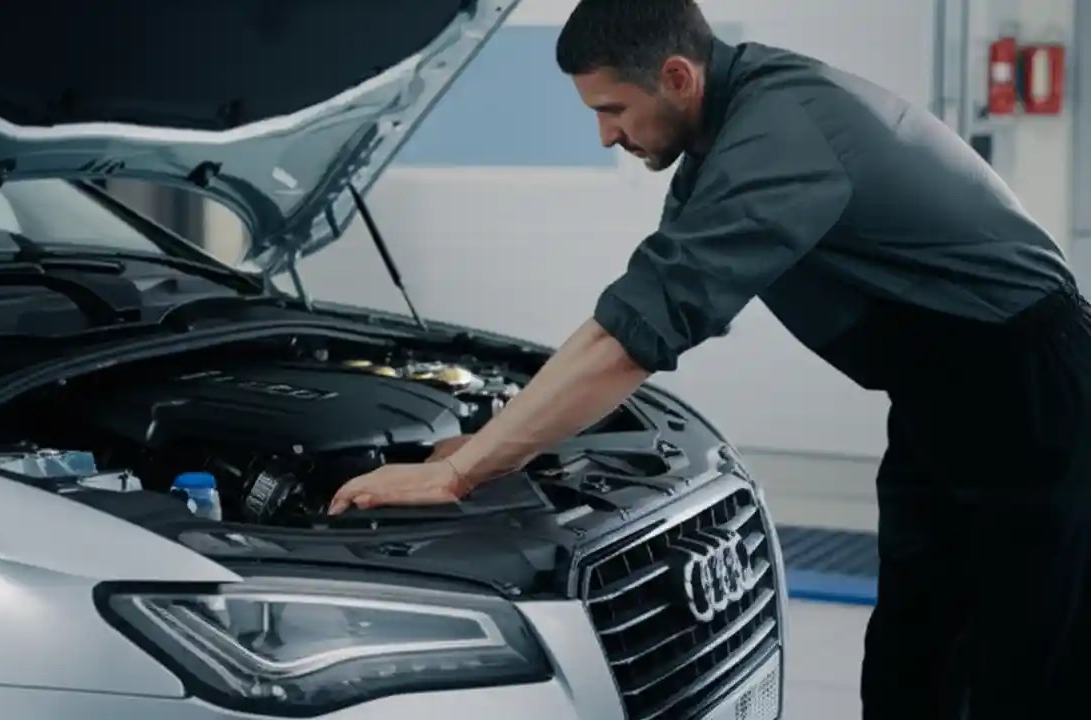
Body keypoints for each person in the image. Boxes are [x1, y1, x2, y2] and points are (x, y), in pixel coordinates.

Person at [328, 0, 1091, 717]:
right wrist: (499, 438)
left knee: (1021, 661)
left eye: (611, 110)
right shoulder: (722, 139)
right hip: (946, 398)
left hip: (1033, 388)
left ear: (678, 77)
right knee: (911, 652)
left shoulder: (781, 134)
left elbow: (634, 339)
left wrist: (463, 472)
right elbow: (632, 308)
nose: (605, 136)